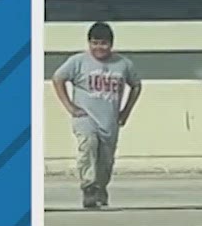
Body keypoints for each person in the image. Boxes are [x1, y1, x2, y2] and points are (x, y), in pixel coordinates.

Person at [51, 21, 142, 209]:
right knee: (88, 146)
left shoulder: (123, 64)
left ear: (111, 44)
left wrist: (126, 111)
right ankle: (89, 187)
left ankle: (101, 187)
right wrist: (70, 107)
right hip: (85, 118)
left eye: (103, 43)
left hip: (109, 120)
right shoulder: (78, 61)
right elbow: (58, 78)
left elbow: (136, 85)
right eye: (94, 43)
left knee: (106, 158)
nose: (99, 47)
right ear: (89, 43)